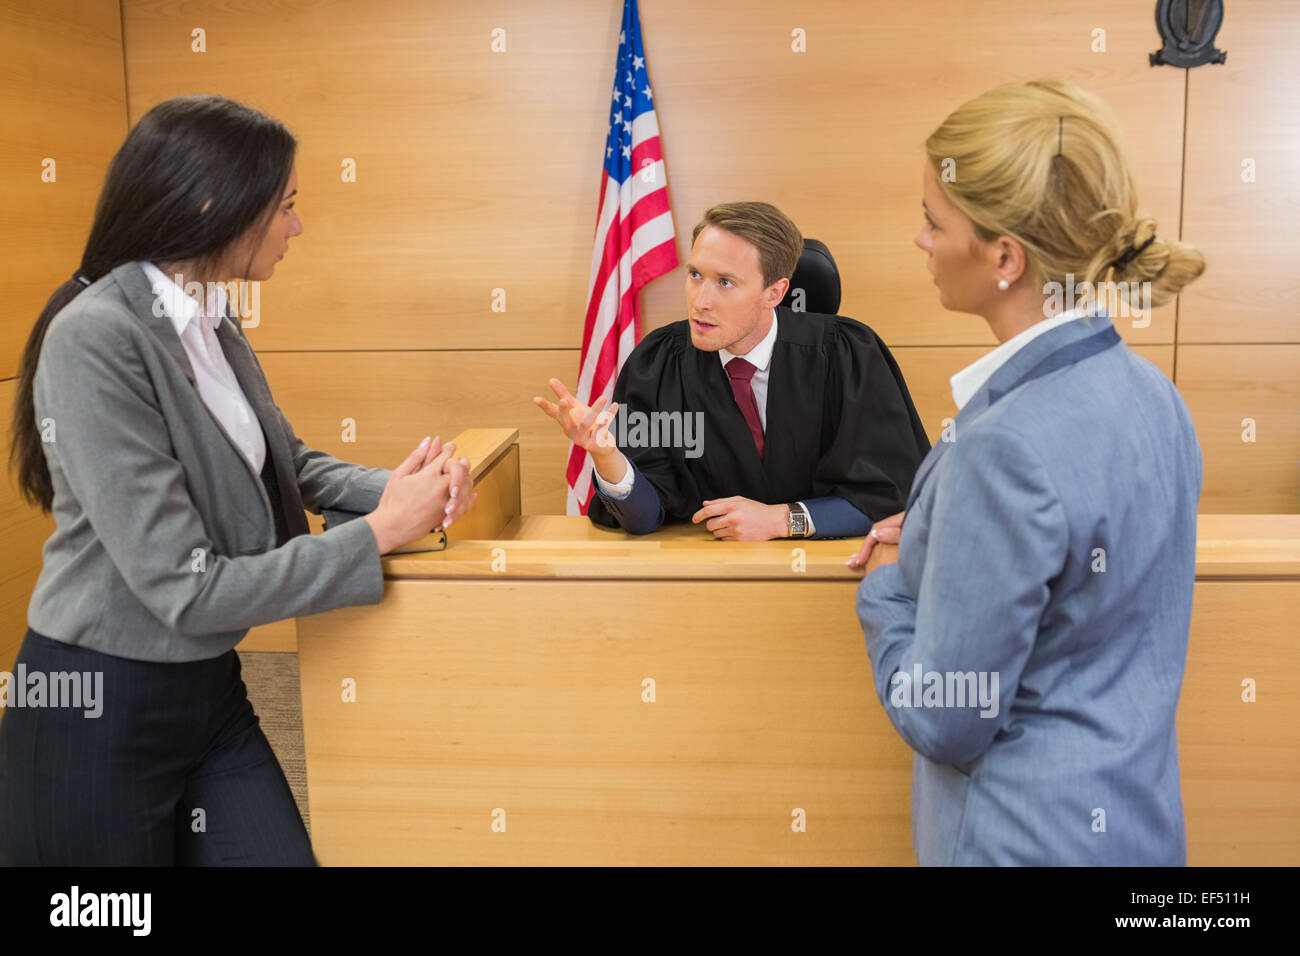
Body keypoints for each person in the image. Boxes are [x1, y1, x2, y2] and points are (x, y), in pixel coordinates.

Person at [0, 94, 477, 865]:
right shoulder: (95, 338)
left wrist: (409, 489)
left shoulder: (212, 314)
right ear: (213, 205)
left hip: (209, 689)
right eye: (285, 206)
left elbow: (286, 462)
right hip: (99, 703)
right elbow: (187, 590)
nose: (297, 226)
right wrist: (383, 530)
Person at [850, 79, 1206, 865]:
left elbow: (947, 716)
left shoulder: (1004, 446)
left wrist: (890, 586)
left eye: (932, 221)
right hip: (1136, 834)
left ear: (1005, 256)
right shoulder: (1158, 398)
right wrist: (951, 535)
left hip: (1021, 841)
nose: (920, 241)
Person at [535, 202, 930, 541]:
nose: (701, 302)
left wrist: (782, 520)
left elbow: (892, 498)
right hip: (712, 574)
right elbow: (644, 516)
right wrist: (606, 454)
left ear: (774, 293)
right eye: (695, 275)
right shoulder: (659, 364)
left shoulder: (848, 355)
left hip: (830, 571)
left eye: (725, 282)